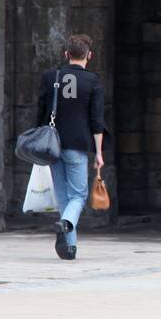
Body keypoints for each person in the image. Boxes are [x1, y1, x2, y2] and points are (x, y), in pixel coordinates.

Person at [37, 33, 106, 260]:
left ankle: (70, 247)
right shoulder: (93, 81)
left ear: (67, 54)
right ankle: (66, 224)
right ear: (89, 56)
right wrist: (99, 152)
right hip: (78, 144)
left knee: (64, 196)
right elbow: (97, 121)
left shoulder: (50, 77)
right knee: (78, 195)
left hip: (53, 145)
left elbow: (41, 112)